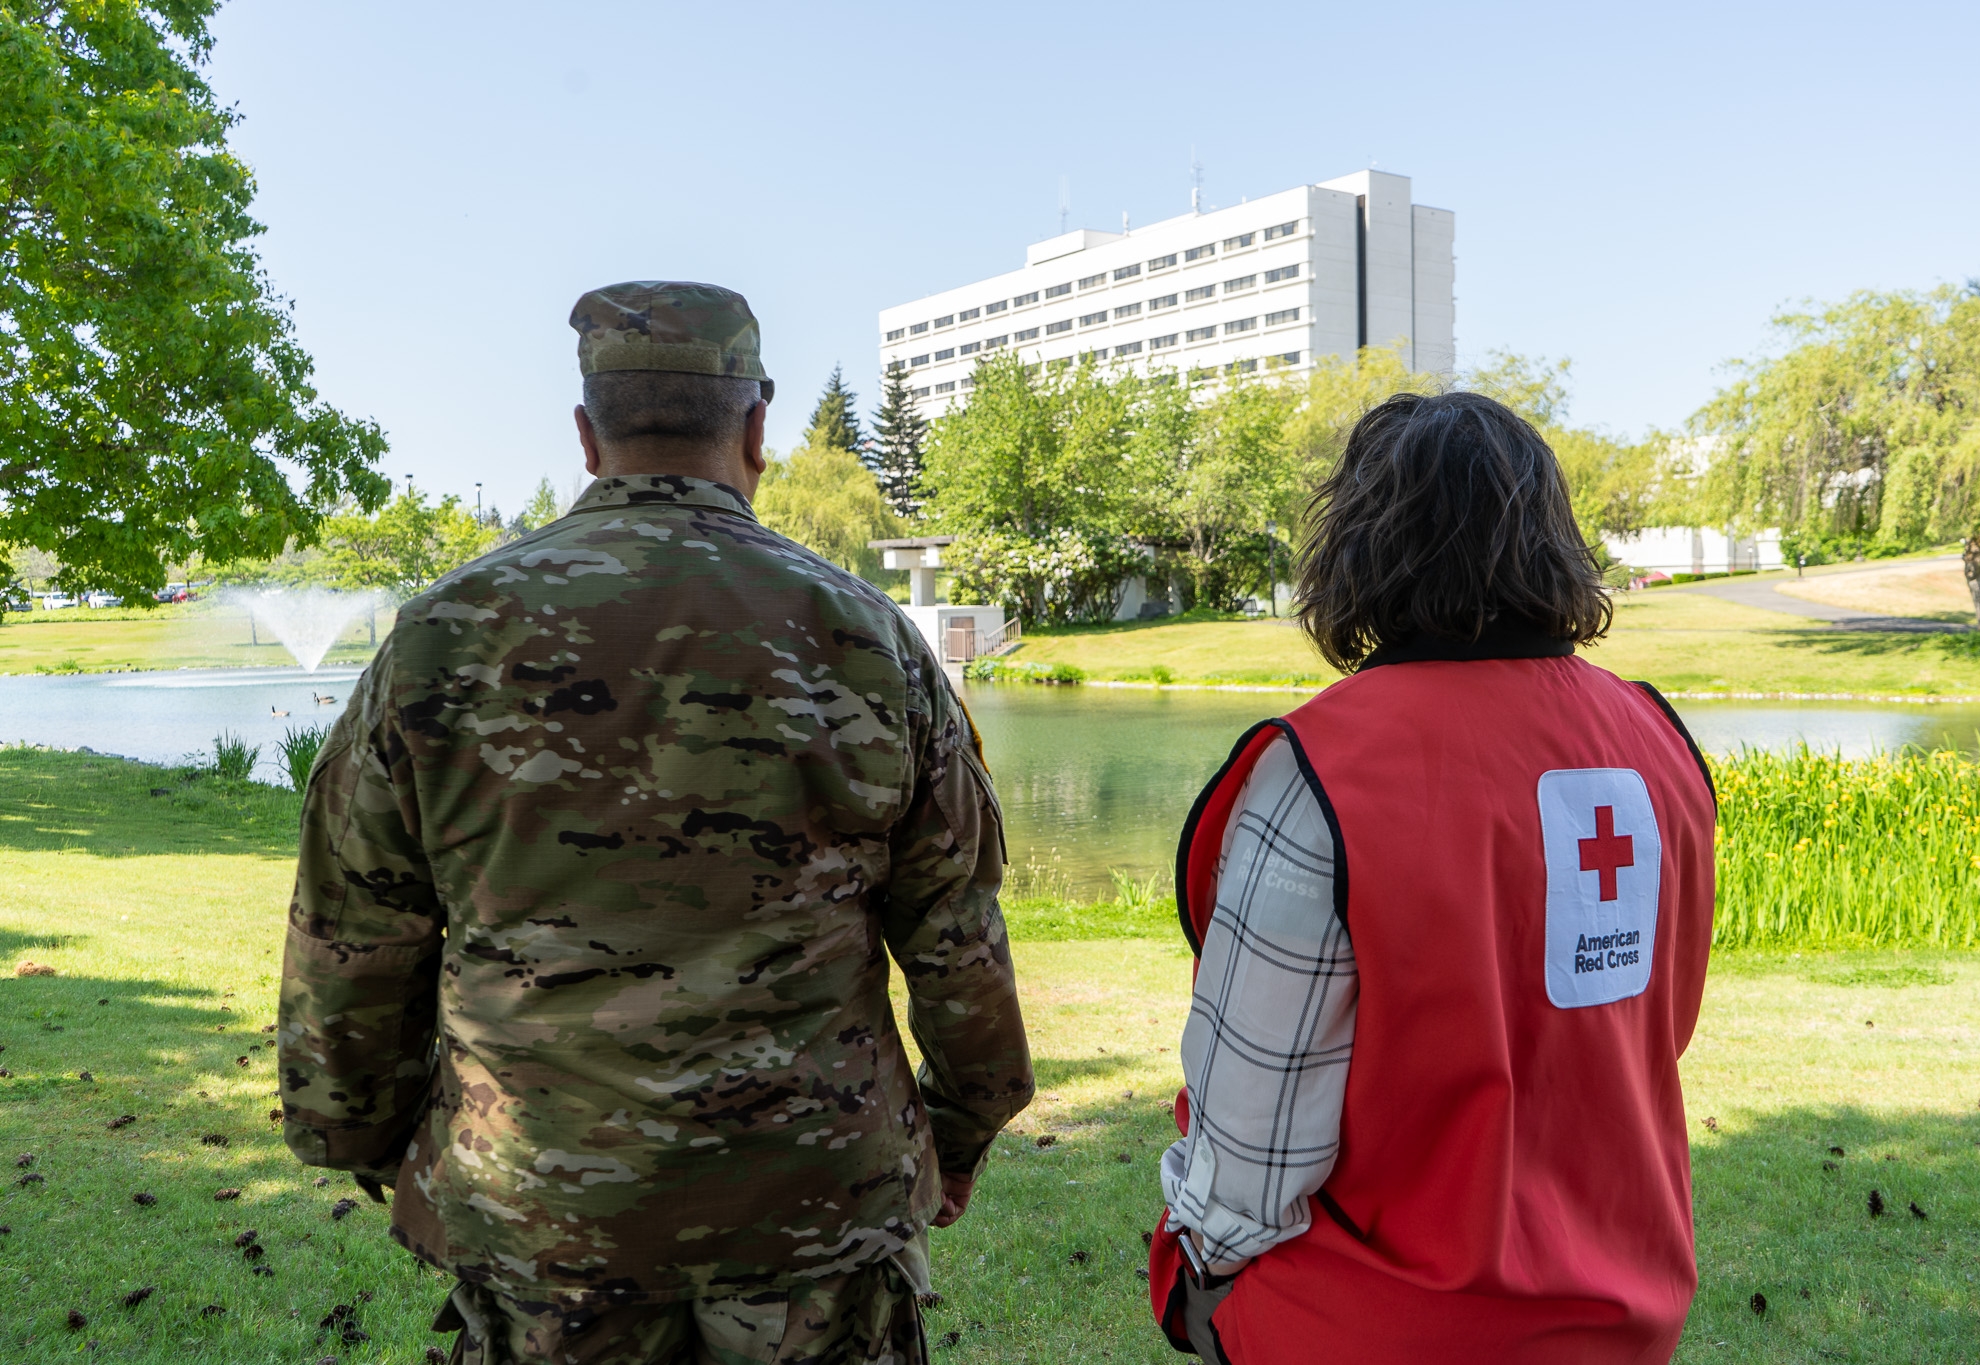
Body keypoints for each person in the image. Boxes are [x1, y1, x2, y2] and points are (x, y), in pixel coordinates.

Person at [277, 281, 1034, 1364]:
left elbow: (351, 944)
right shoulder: (867, 642)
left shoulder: (441, 640)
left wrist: (381, 1146)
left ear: (586, 435)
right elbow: (958, 940)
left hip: (541, 1218)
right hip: (812, 1215)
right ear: (758, 428)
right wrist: (956, 1132)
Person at [1148, 391, 1716, 1364]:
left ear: (1361, 545)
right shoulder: (1655, 740)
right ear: (1550, 537)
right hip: (1623, 1312)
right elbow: (1648, 1029)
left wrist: (1196, 1285)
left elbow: (1251, 1148)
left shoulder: (1318, 770)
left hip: (1376, 1324)